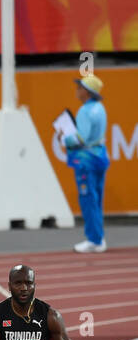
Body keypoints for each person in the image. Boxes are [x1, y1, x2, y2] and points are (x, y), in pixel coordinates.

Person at [65, 75, 108, 253]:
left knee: (88, 199)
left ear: (88, 92)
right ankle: (98, 237)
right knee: (96, 198)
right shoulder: (100, 108)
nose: (77, 90)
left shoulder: (85, 111)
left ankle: (94, 240)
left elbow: (79, 139)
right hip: (100, 156)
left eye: (80, 87)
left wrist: (65, 136)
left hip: (86, 160)